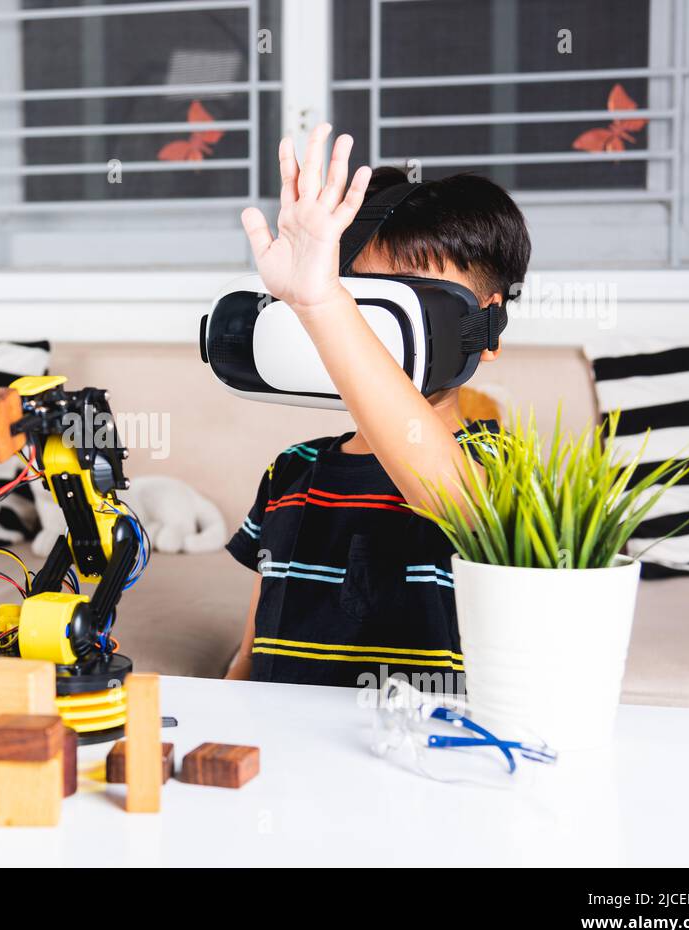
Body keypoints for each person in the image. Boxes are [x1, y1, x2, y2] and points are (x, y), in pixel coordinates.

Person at [224, 125, 531, 690]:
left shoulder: (499, 465)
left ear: (485, 327)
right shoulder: (291, 470)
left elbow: (453, 502)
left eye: (408, 303)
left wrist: (323, 303)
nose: (370, 330)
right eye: (358, 300)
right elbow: (251, 651)